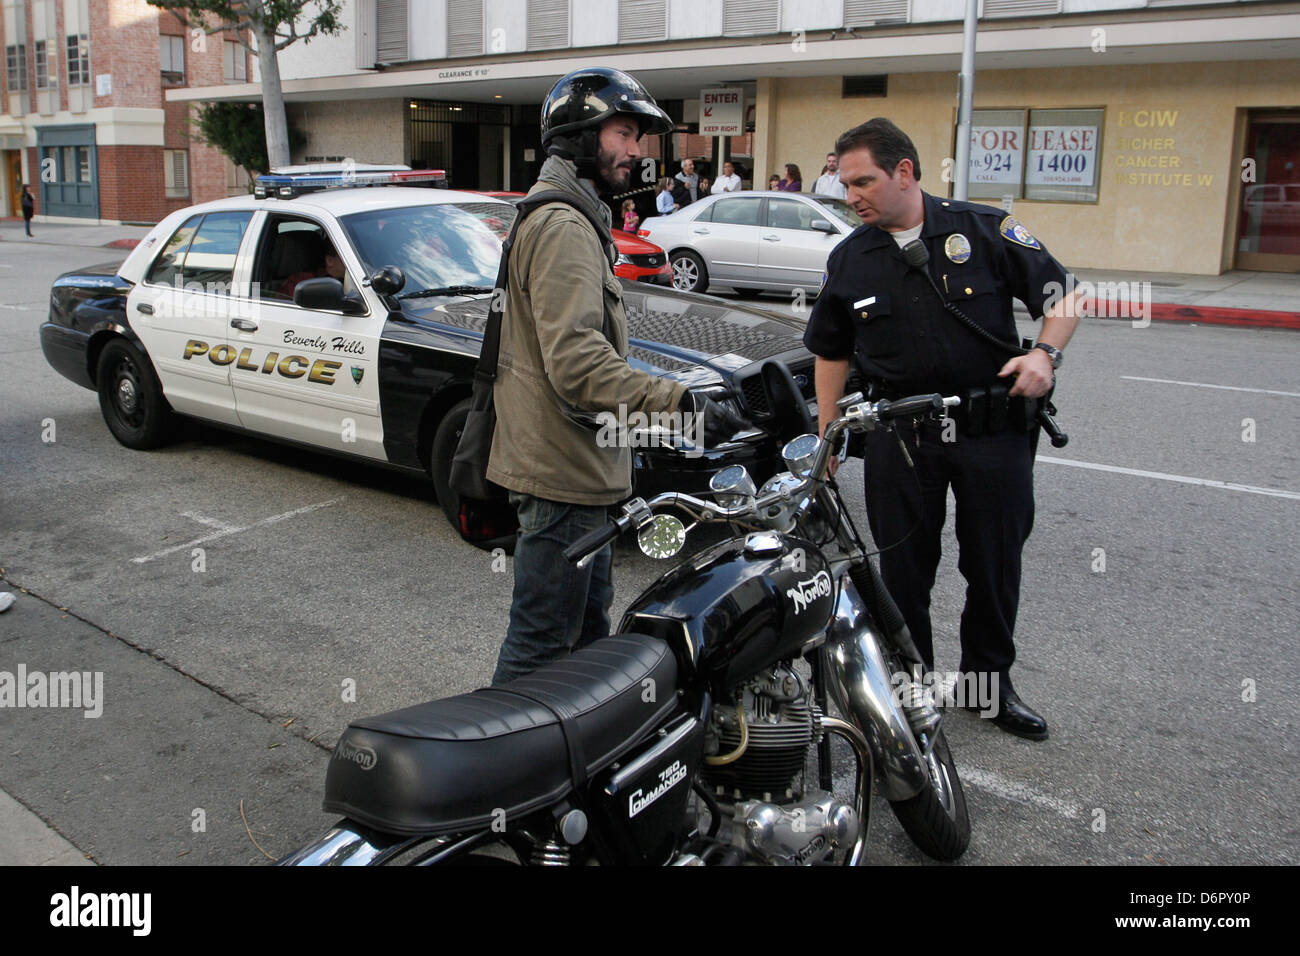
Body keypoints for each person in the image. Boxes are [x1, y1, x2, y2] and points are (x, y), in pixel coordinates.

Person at [803, 117, 1081, 741]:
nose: (851, 196)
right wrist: (827, 436)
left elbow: (1062, 295)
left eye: (863, 181)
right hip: (901, 439)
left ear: (904, 172)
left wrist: (1045, 355)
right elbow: (830, 351)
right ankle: (912, 690)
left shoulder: (982, 229)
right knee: (903, 575)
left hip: (992, 432)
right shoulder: (850, 258)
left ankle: (990, 688)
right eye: (844, 184)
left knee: (993, 565)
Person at [487, 67, 749, 685]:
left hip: (583, 474)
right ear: (579, 134)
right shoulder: (563, 226)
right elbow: (578, 365)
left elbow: (590, 350)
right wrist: (683, 409)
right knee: (541, 651)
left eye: (637, 138)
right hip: (562, 481)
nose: (637, 151)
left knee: (580, 647)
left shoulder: (579, 218)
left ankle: (567, 770)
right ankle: (502, 775)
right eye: (625, 134)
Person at [279, 235, 346, 299]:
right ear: (329, 260)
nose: (353, 260)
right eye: (346, 256)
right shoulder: (302, 283)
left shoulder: (350, 280)